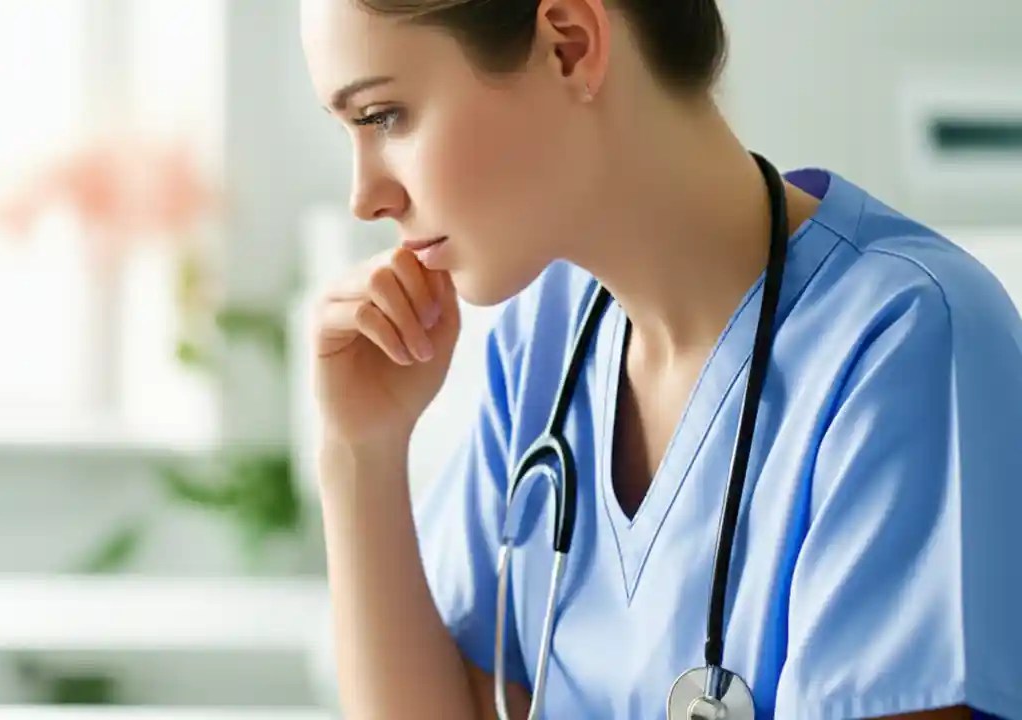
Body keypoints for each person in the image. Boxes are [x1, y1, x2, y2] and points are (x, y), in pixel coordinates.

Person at [301, 0, 1022, 718]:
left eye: (382, 115)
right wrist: (360, 451)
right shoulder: (540, 346)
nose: (365, 197)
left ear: (569, 46)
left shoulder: (905, 338)